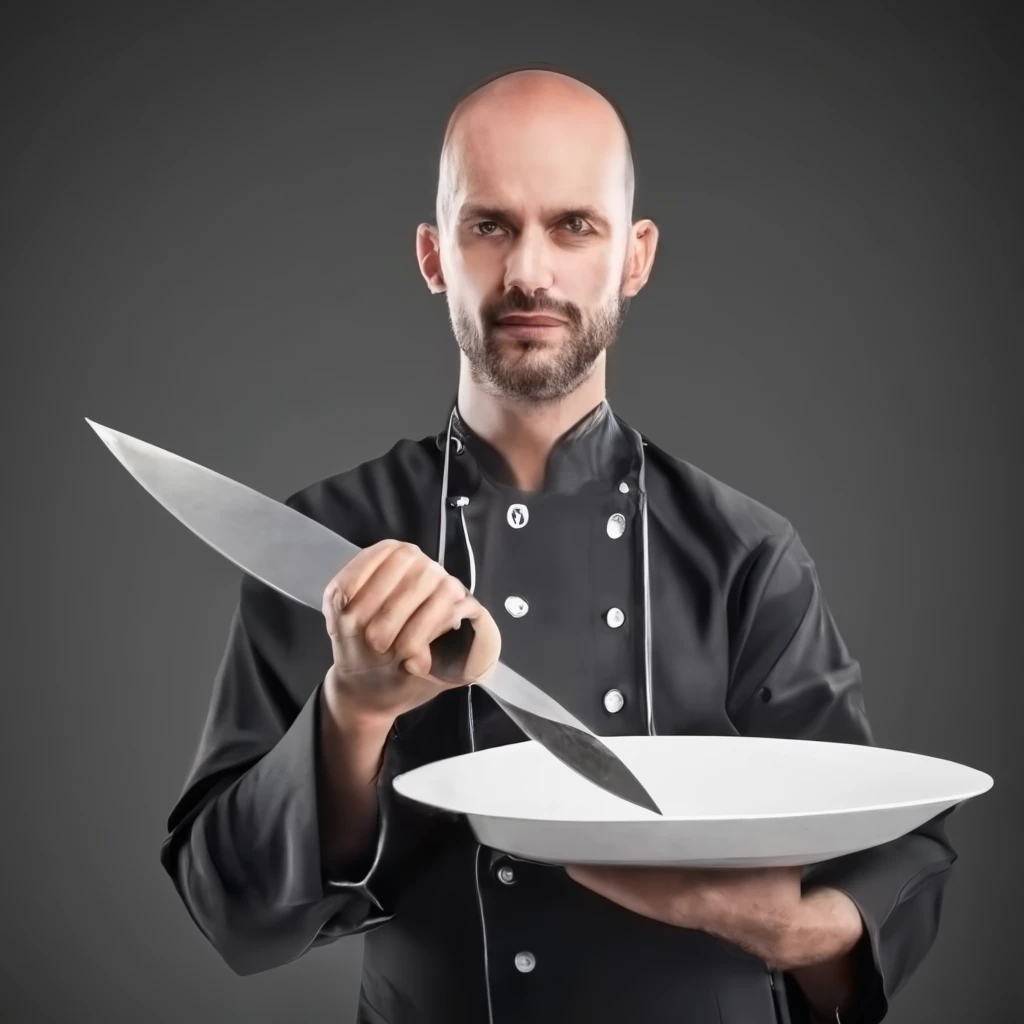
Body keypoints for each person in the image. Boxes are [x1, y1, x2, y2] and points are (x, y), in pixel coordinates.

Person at [159, 65, 959, 1024]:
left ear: (635, 256)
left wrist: (800, 932)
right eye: (488, 226)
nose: (529, 271)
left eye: (574, 225)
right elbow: (230, 911)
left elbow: (885, 854)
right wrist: (351, 712)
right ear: (434, 255)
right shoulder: (335, 548)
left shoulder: (747, 553)